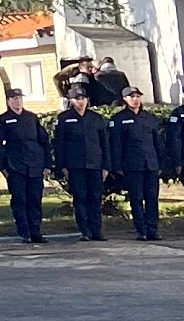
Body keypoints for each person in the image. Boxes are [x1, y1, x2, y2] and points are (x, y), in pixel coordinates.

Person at [0, 88, 52, 246]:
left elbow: (44, 141)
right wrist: (2, 167)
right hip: (15, 166)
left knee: (35, 199)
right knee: (20, 199)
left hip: (34, 165)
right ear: (8, 101)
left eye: (19, 98)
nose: (17, 101)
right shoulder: (2, 120)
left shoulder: (31, 118)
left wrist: (47, 165)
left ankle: (36, 231)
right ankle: (24, 231)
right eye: (14, 98)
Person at [53, 85, 110, 241]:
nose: (81, 102)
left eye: (83, 98)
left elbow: (104, 143)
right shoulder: (64, 118)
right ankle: (84, 230)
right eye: (77, 99)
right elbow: (59, 144)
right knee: (80, 198)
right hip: (75, 165)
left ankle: (96, 230)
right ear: (71, 101)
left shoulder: (96, 118)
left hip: (95, 164)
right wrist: (62, 166)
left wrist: (106, 165)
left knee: (95, 198)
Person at [108, 88, 163, 241]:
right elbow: (116, 144)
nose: (135, 99)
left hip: (150, 164)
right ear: (124, 99)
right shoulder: (118, 119)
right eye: (131, 96)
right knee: (136, 198)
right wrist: (117, 165)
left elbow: (157, 143)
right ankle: (141, 230)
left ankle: (152, 230)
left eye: (137, 96)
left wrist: (160, 163)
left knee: (152, 198)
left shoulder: (149, 118)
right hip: (132, 165)